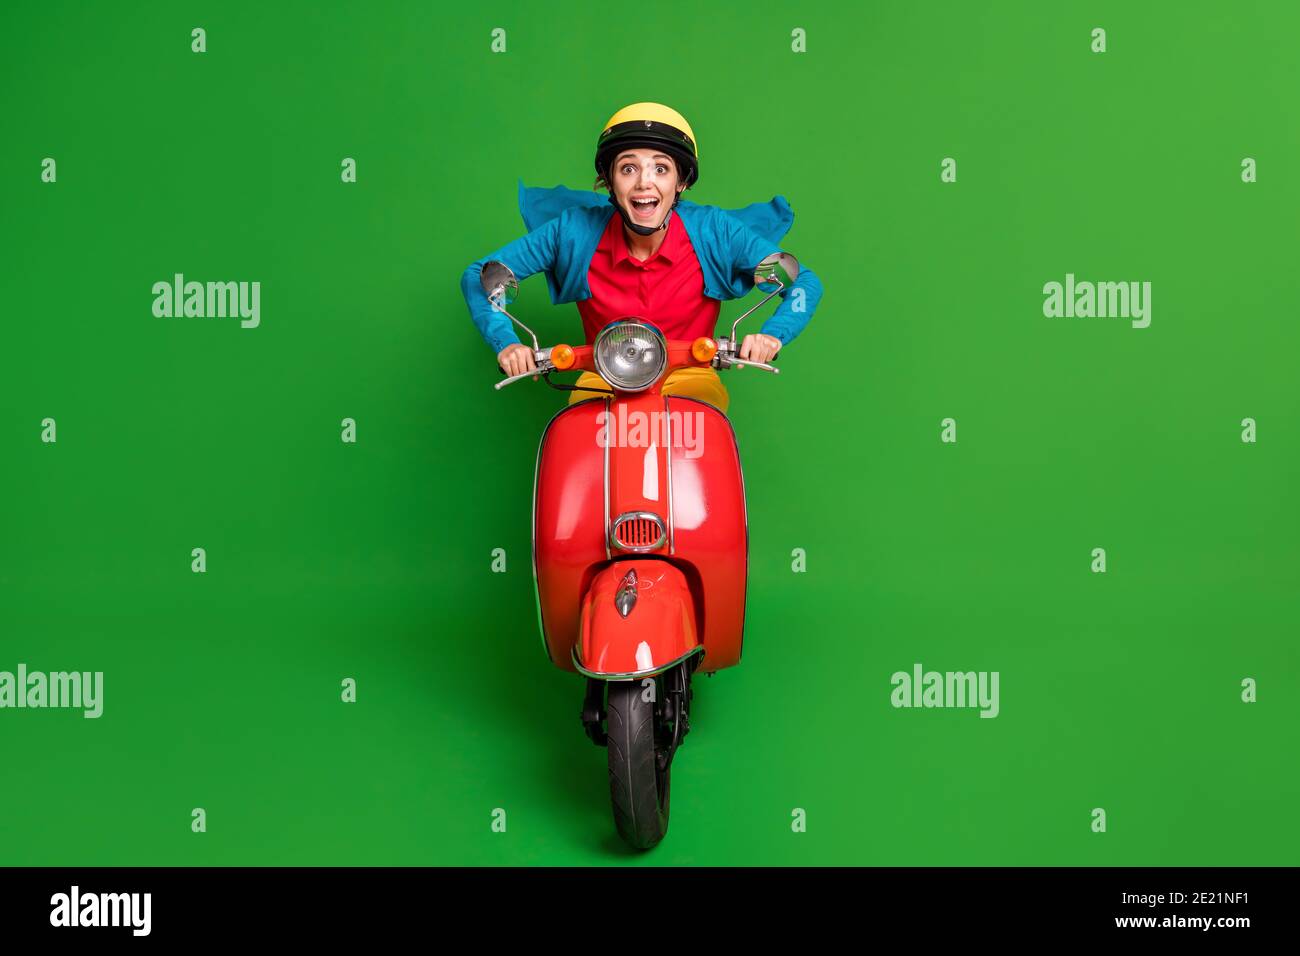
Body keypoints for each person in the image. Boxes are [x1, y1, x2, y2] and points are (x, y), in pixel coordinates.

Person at [460, 102, 822, 413]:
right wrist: (507, 342)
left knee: (702, 429)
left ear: (681, 183)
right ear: (609, 181)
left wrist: (771, 337)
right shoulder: (573, 232)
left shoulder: (715, 231)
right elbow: (483, 275)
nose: (644, 183)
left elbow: (803, 282)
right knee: (575, 437)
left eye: (661, 169)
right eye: (628, 168)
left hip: (691, 377)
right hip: (601, 380)